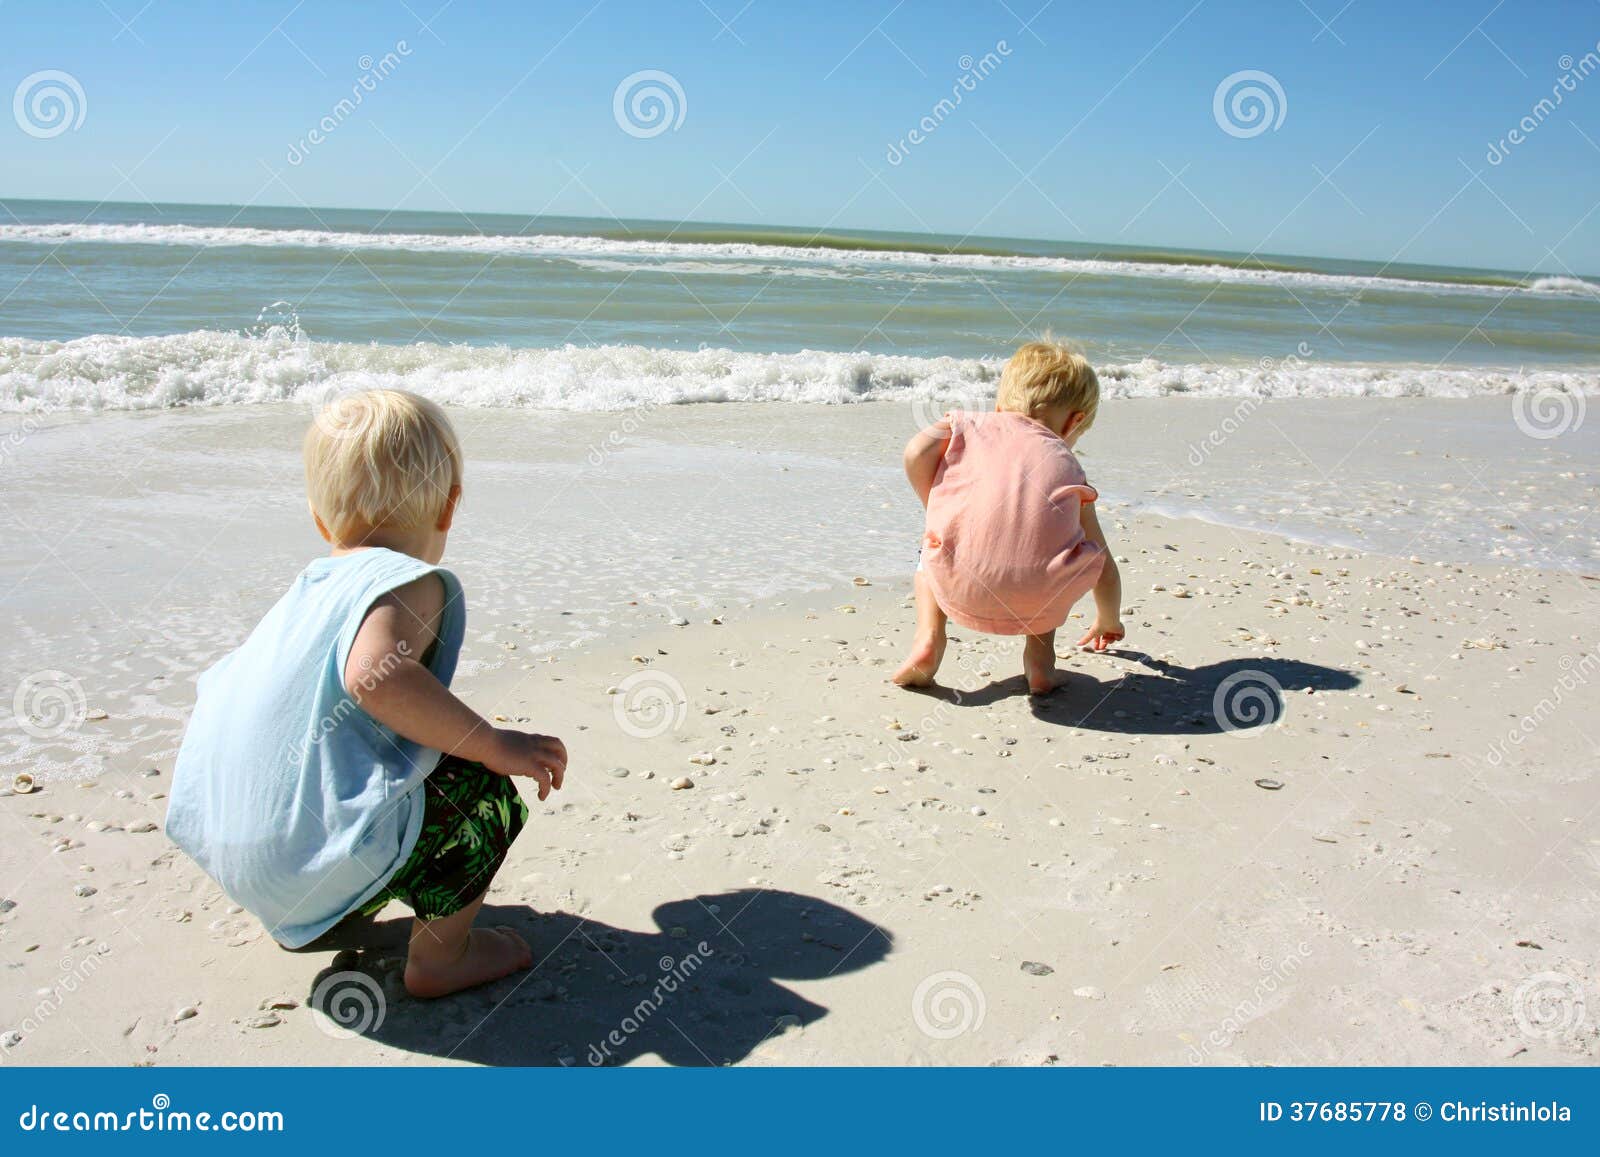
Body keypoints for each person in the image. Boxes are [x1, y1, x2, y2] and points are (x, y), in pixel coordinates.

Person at [167, 389, 567, 997]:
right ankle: (441, 960)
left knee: (401, 756)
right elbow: (374, 674)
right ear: (450, 505)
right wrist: (491, 744)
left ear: (319, 518)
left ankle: (328, 906)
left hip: (246, 866)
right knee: (479, 788)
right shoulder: (404, 580)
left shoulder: (303, 598)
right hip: (308, 864)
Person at [892, 340, 1125, 694]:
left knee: (930, 550)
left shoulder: (967, 424)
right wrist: (1109, 620)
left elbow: (915, 452)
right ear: (1075, 422)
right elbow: (1104, 567)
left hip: (957, 583)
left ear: (1000, 405)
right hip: (1037, 597)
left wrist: (934, 507)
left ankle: (929, 640)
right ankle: (1040, 660)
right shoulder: (1070, 469)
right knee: (1057, 550)